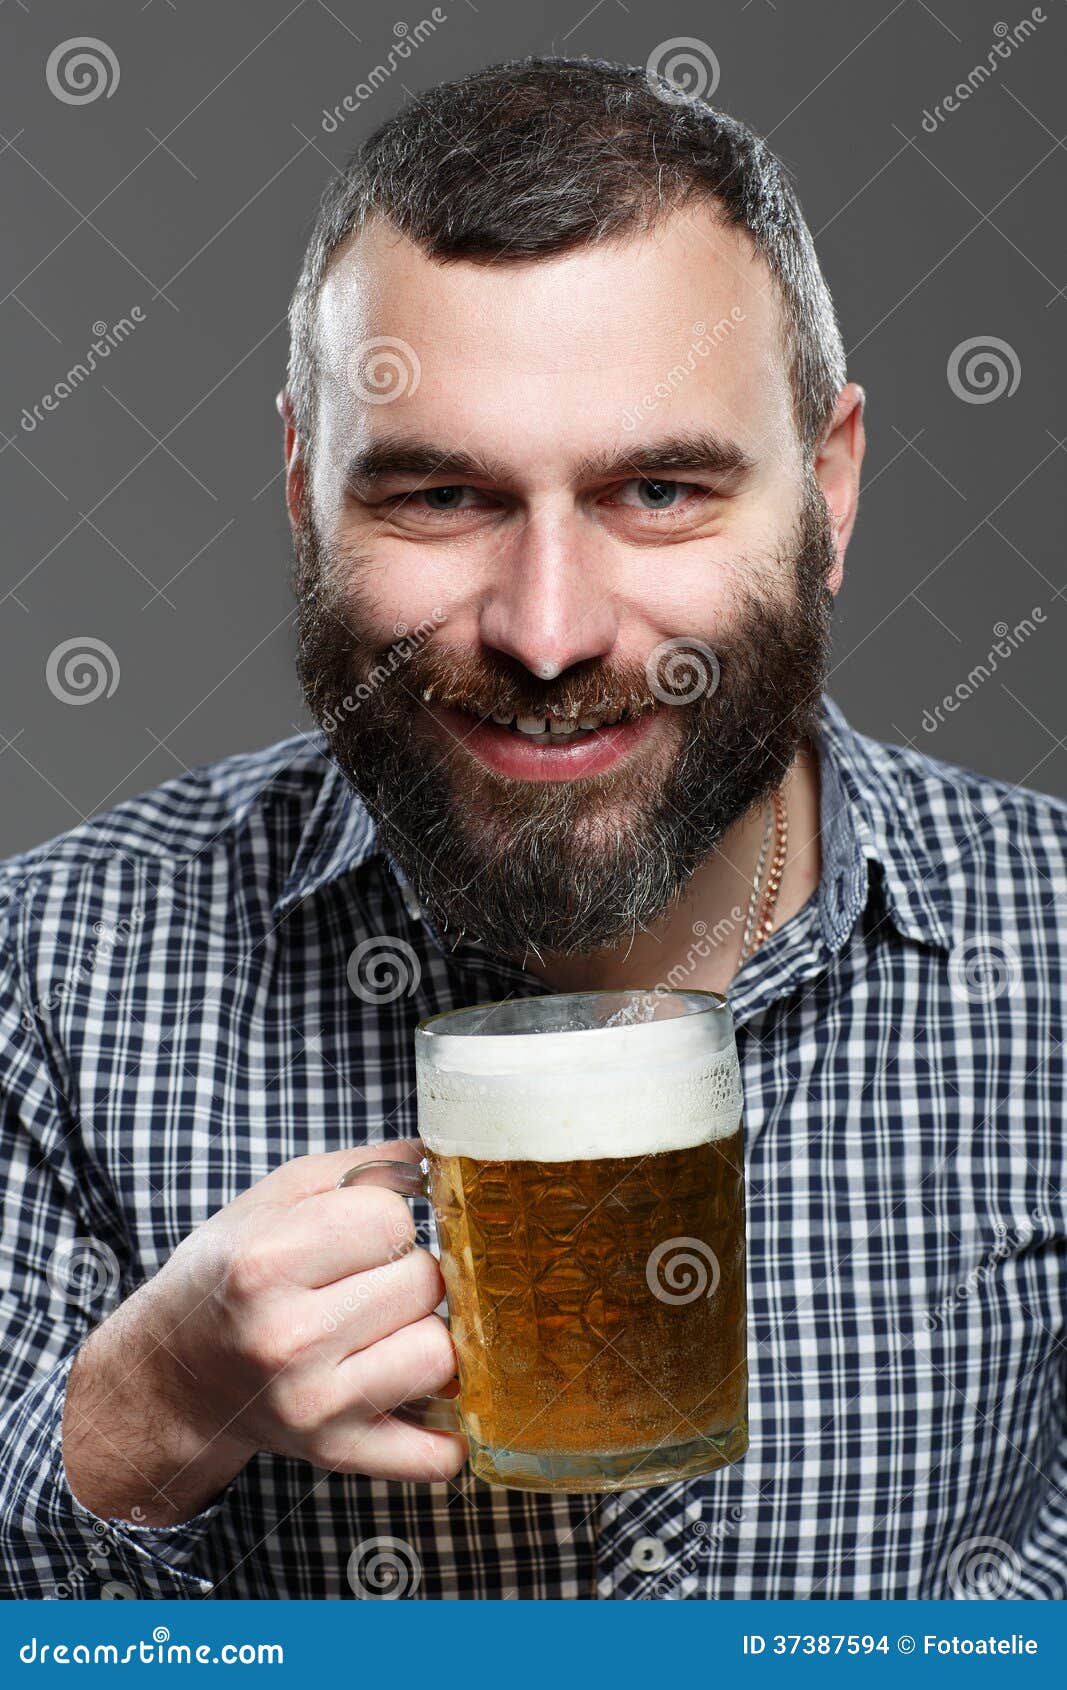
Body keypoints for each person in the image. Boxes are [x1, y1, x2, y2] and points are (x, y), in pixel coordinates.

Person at [1, 55, 1064, 1602]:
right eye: (440, 496)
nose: (549, 629)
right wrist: (149, 1409)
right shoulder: (50, 971)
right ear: (305, 492)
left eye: (658, 487)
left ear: (827, 490)